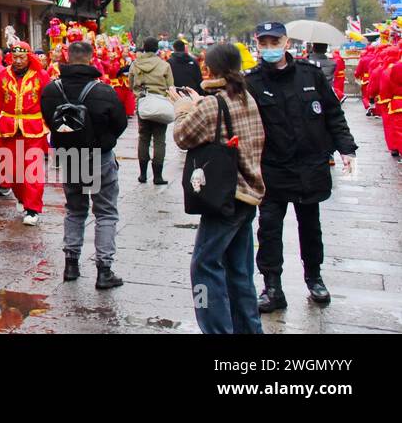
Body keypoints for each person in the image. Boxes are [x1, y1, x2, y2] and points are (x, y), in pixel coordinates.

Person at [246, 21, 357, 312]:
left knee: (310, 225)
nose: (270, 48)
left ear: (286, 42)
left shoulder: (311, 74)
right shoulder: (252, 82)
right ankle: (272, 286)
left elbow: (333, 113)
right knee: (268, 229)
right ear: (258, 45)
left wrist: (347, 149)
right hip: (272, 168)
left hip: (310, 166)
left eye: (275, 42)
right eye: (264, 43)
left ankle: (314, 278)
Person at [170, 44, 266, 334]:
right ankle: (249, 328)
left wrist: (183, 109)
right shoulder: (245, 96)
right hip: (249, 194)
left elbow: (182, 136)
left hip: (225, 197)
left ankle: (215, 328)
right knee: (239, 271)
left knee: (203, 268)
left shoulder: (213, 105)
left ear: (209, 69)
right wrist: (202, 102)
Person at [40, 40, 127, 289]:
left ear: (68, 57)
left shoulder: (51, 89)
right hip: (98, 156)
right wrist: (104, 139)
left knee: (75, 209)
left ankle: (71, 264)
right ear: (91, 58)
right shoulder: (104, 91)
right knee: (105, 211)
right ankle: (104, 269)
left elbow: (49, 119)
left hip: (69, 156)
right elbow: (119, 123)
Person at [0, 42, 51, 225]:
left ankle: (33, 208)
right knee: (11, 171)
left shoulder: (41, 75)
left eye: (22, 57)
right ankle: (23, 198)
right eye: (15, 57)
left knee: (32, 170)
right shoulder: (3, 74)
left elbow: (48, 102)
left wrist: (50, 127)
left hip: (33, 128)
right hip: (7, 128)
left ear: (29, 57)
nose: (18, 61)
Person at [131, 35, 174, 185]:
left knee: (143, 137)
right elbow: (170, 86)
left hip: (143, 102)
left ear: (144, 47)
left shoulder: (136, 64)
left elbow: (131, 84)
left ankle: (143, 174)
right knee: (159, 140)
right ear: (157, 48)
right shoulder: (164, 65)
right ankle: (158, 176)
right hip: (160, 103)